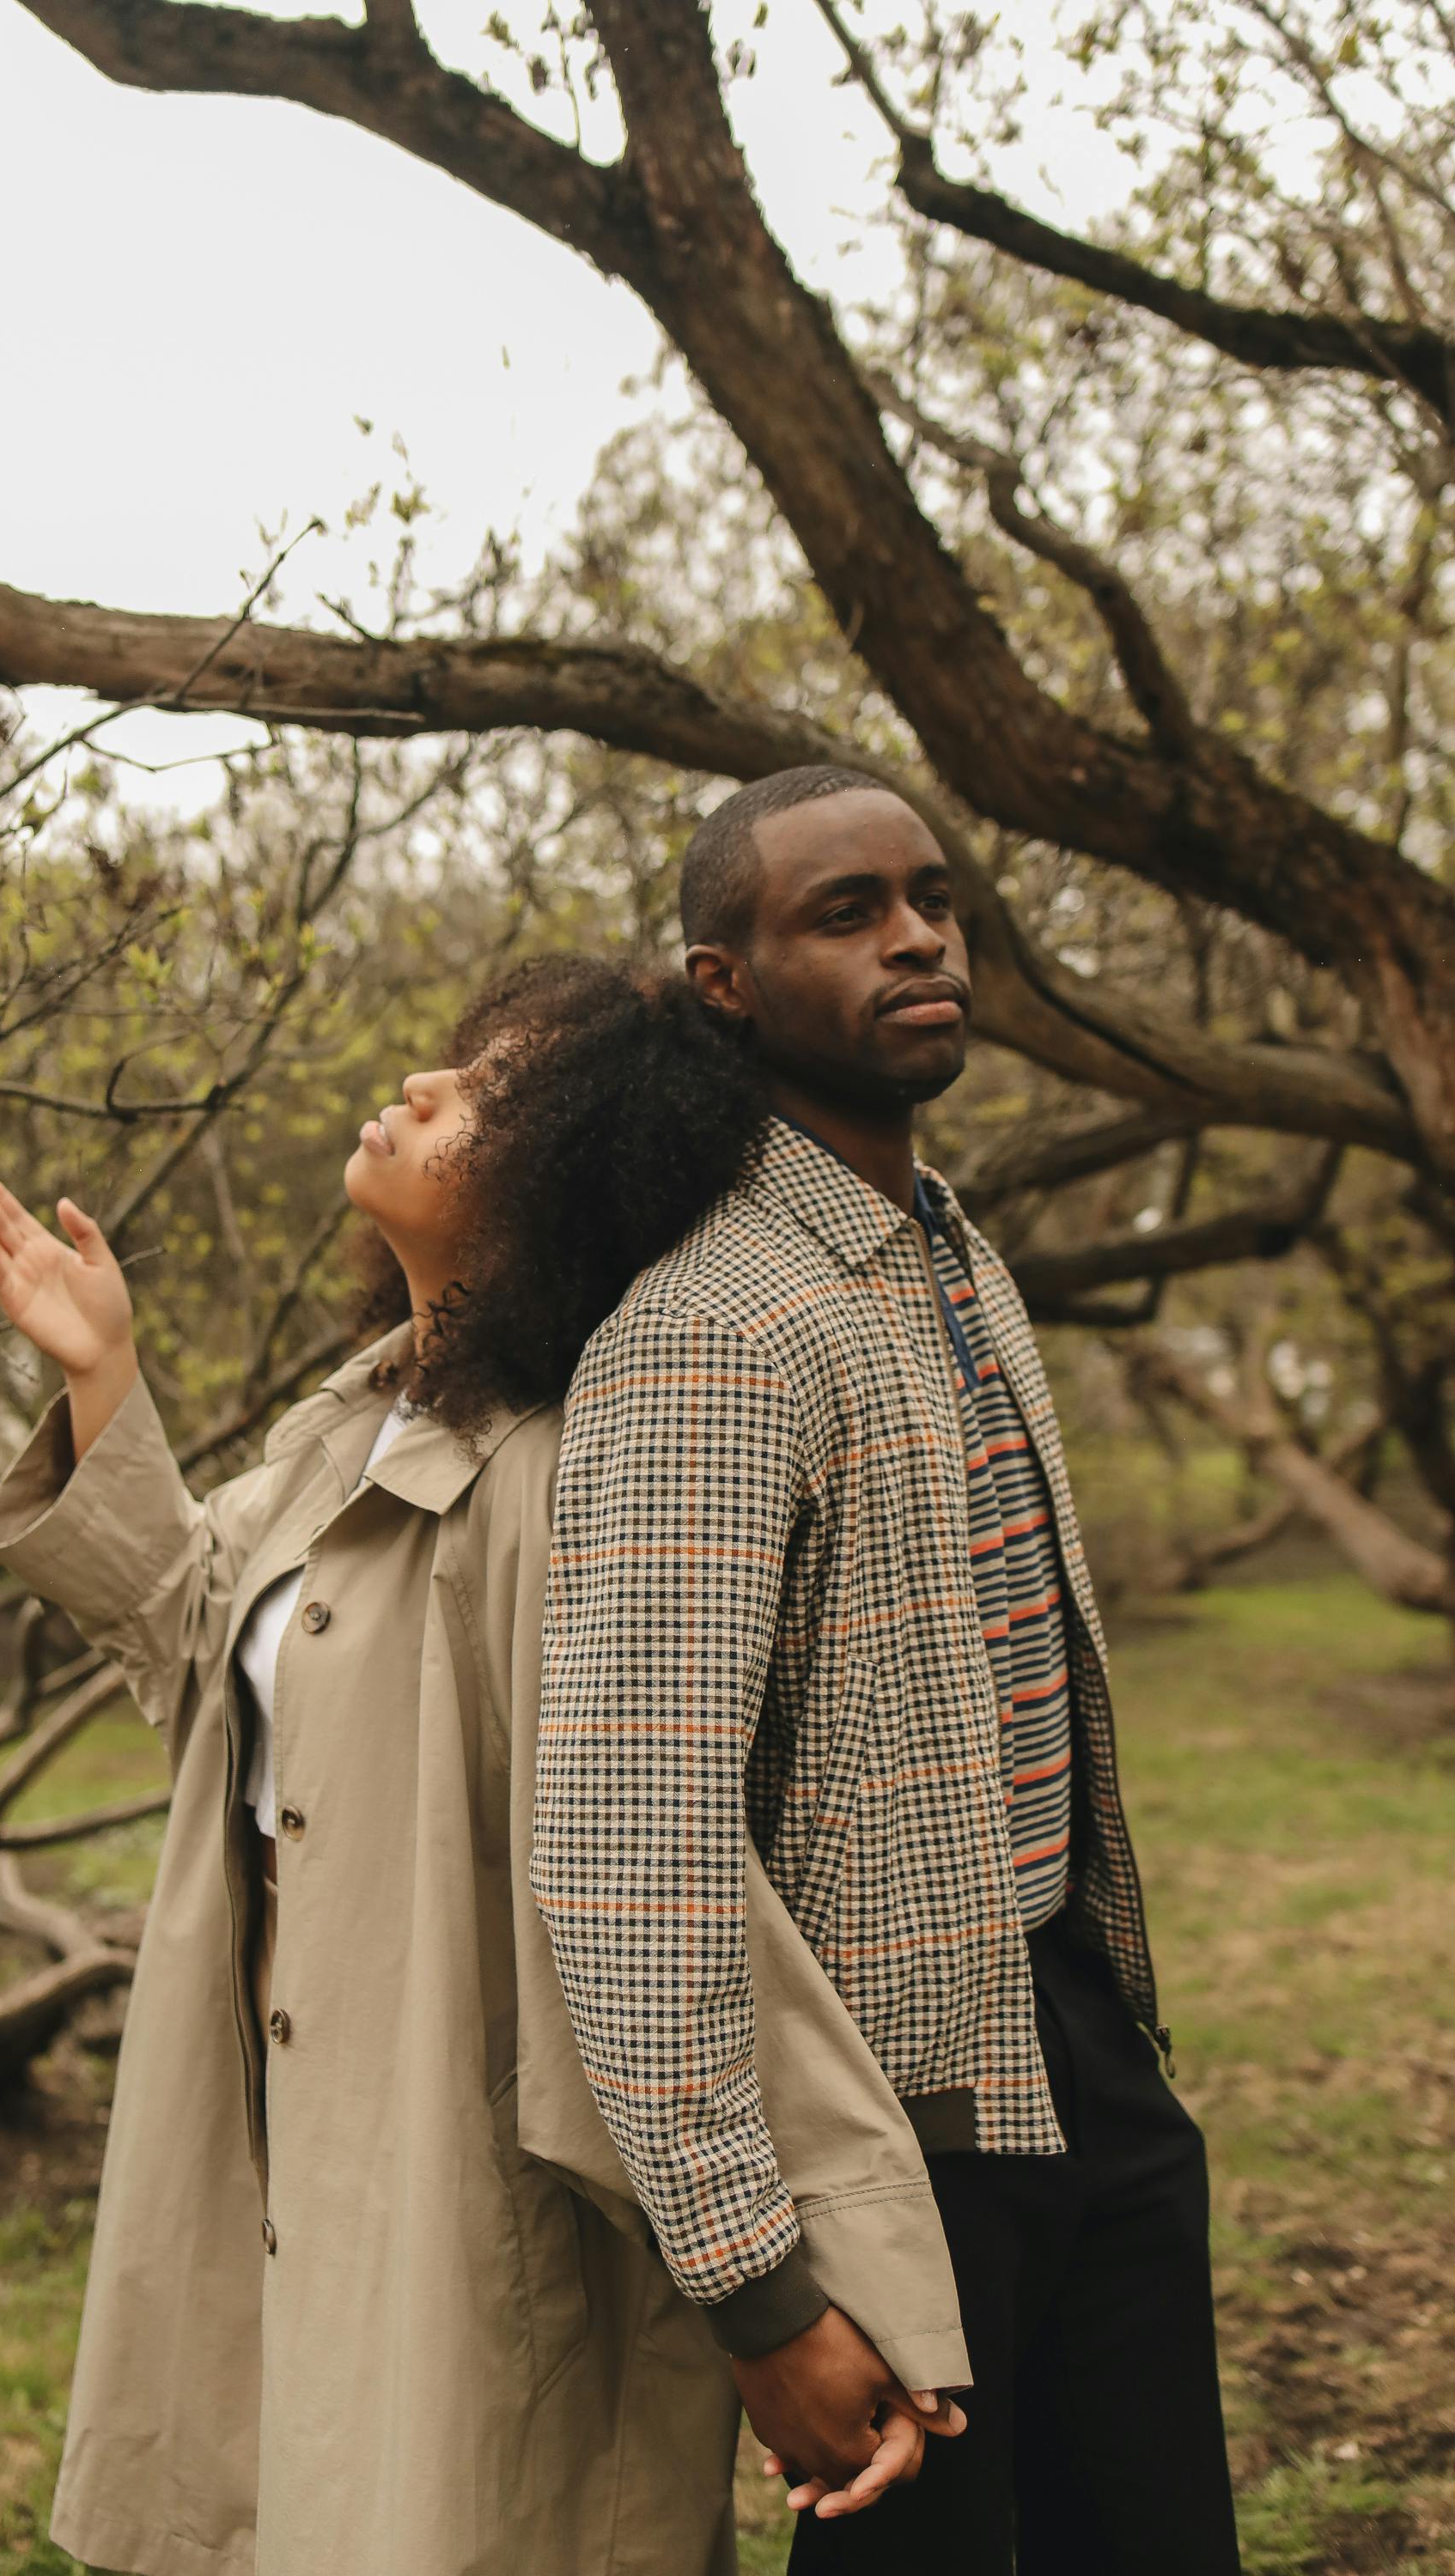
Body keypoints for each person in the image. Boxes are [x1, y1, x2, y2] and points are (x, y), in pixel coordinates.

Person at [0, 954, 967, 2576]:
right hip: (296, 2108)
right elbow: (195, 1639)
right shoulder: (349, 1422)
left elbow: (664, 1873)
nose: (423, 1088)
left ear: (562, 1172)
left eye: (483, 1093)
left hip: (468, 2159)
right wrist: (103, 1380)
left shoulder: (559, 1477)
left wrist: (824, 2279)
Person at [534, 771, 1243, 2573]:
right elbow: (632, 1851)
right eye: (844, 912)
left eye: (932, 897)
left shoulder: (951, 1251)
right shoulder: (707, 1331)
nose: (918, 935)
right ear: (723, 984)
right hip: (889, 2120)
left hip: (1069, 2033)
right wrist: (755, 2284)